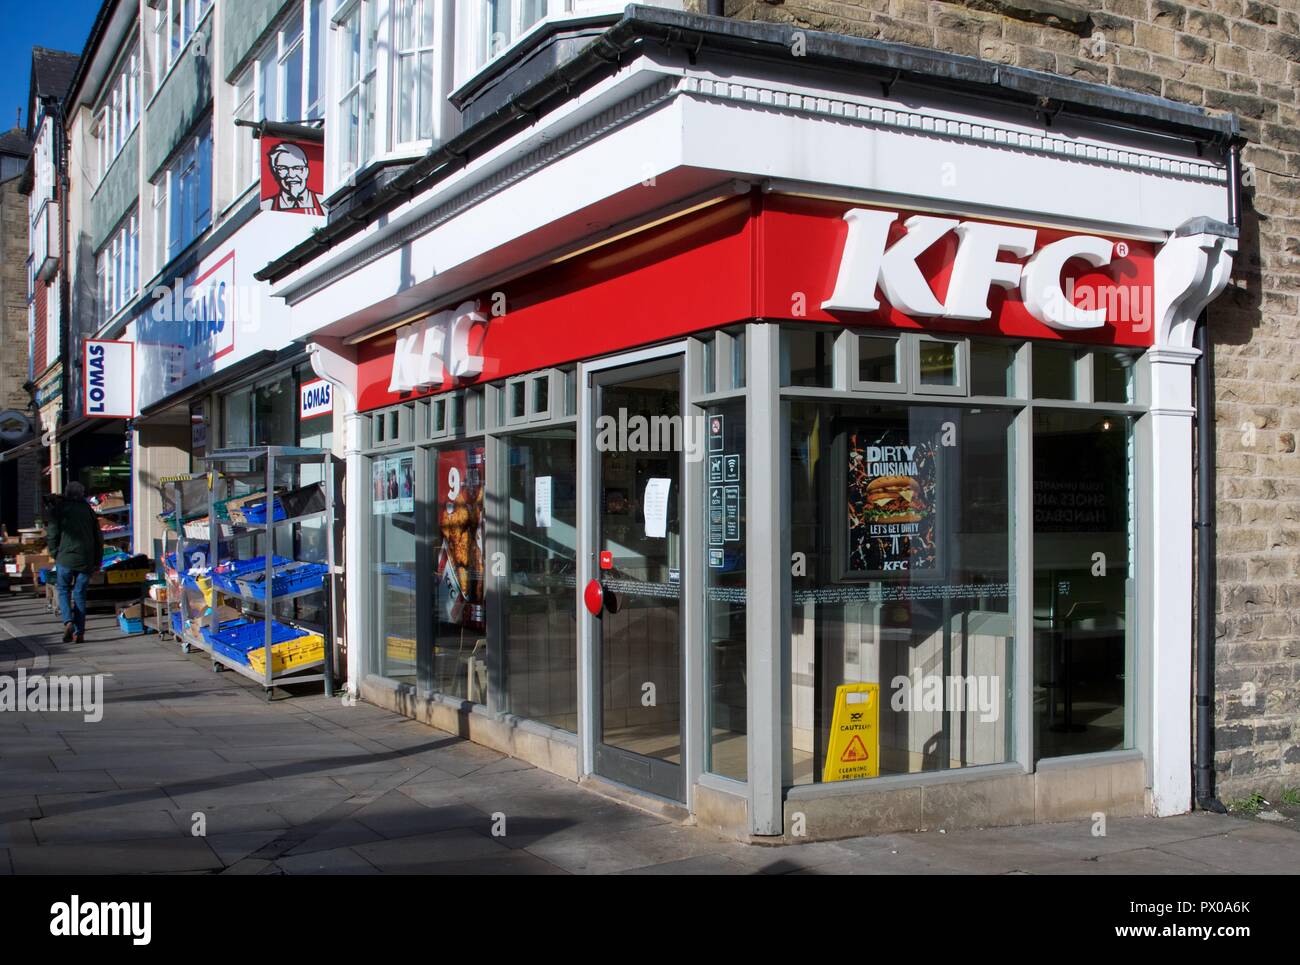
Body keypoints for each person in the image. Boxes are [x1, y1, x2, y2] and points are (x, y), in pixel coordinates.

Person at [45, 482, 104, 643]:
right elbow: (98, 538)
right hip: (86, 559)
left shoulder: (59, 509)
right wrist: (98, 561)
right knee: (79, 594)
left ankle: (68, 621)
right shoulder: (88, 511)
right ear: (82, 494)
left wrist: (55, 553)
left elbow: (52, 534)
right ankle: (80, 632)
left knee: (63, 590)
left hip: (65, 557)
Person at [260, 142, 324, 215]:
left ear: (306, 171)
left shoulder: (322, 202)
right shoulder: (267, 205)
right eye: (283, 168)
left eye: (297, 168)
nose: (291, 175)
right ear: (275, 172)